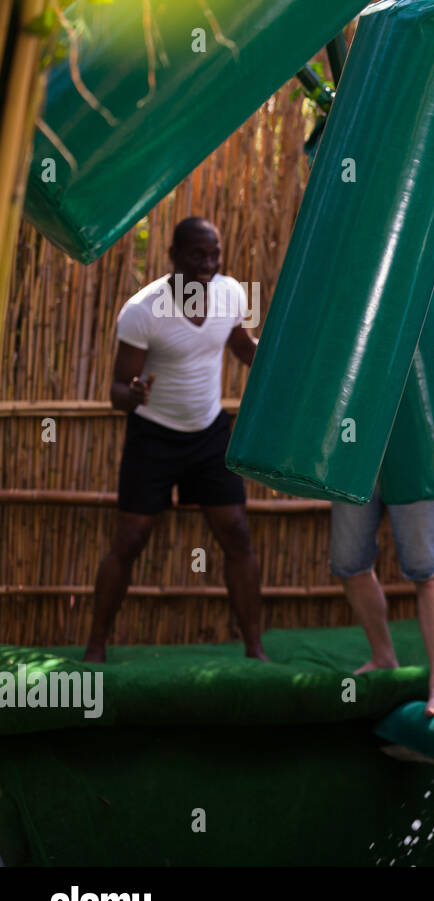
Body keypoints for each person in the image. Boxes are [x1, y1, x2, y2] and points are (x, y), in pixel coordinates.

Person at [87, 217, 264, 663]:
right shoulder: (142, 310)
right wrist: (134, 394)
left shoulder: (233, 293)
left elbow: (244, 349)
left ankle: (254, 648)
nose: (209, 264)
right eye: (197, 255)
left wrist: (284, 355)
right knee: (130, 539)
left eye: (214, 254)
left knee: (237, 534)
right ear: (173, 256)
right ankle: (96, 646)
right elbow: (116, 392)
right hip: (154, 436)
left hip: (209, 432)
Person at [329, 486, 434, 715]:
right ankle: (383, 656)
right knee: (348, 564)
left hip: (418, 457)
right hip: (357, 456)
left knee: (427, 567)